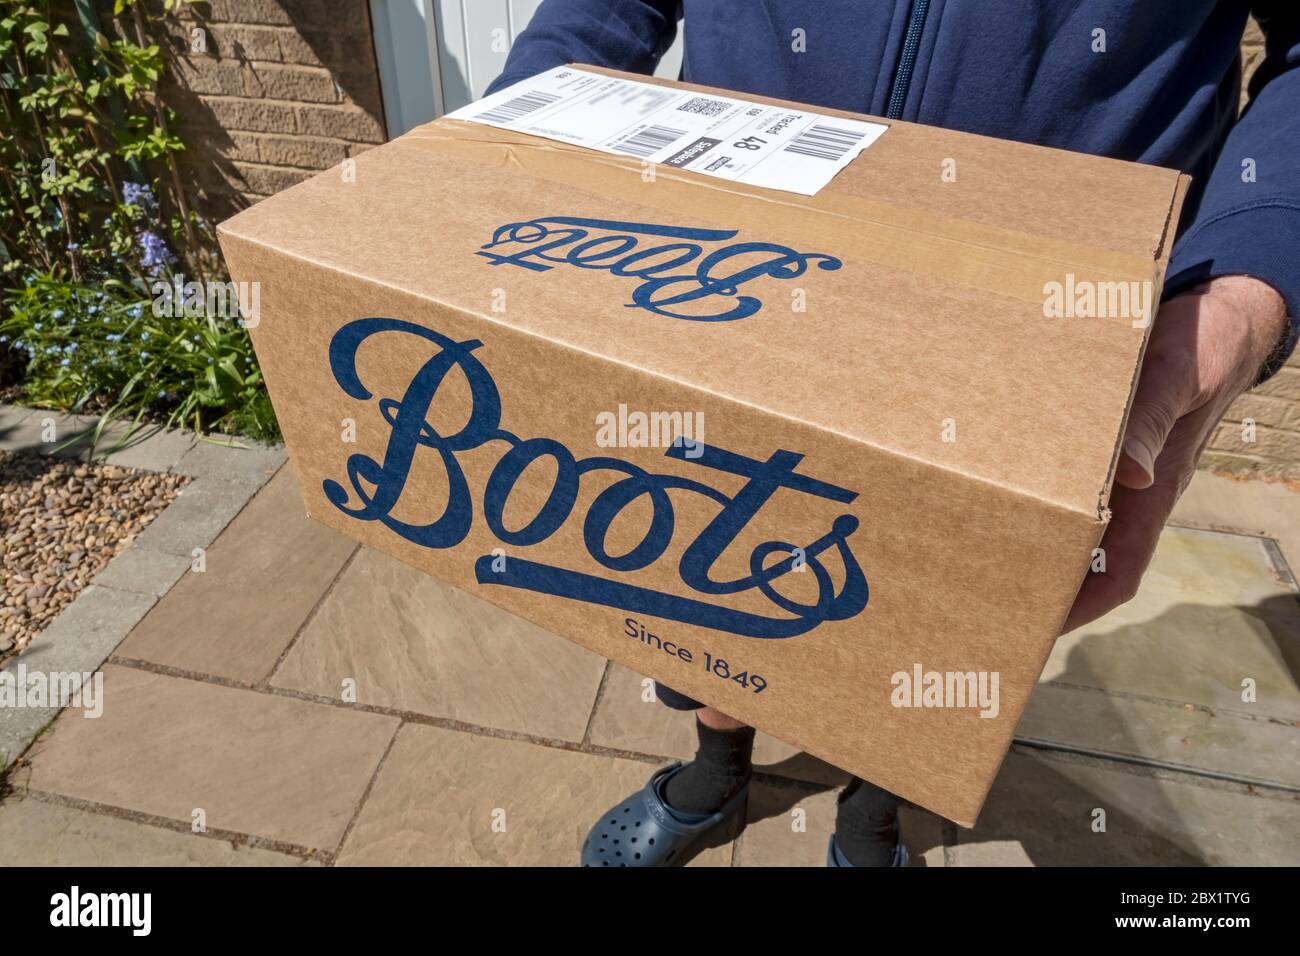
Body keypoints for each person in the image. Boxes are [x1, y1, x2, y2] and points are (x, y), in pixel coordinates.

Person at [485, 0, 1297, 867]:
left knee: (933, 616)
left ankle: (871, 825)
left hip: (1031, 323)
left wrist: (1248, 275)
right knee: (708, 547)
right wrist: (513, 134)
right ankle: (717, 771)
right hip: (730, 262)